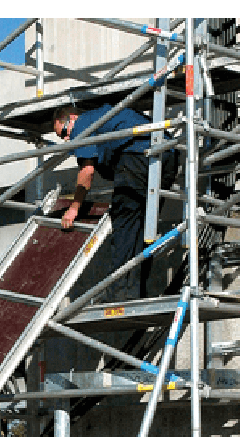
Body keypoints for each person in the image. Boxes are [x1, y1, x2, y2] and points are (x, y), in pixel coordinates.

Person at [53, 103, 177, 299]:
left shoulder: (84, 123)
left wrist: (74, 208)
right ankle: (138, 293)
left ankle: (119, 294)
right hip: (168, 154)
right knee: (145, 230)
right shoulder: (108, 116)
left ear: (73, 118)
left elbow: (87, 171)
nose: (68, 140)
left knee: (125, 225)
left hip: (138, 155)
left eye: (64, 133)